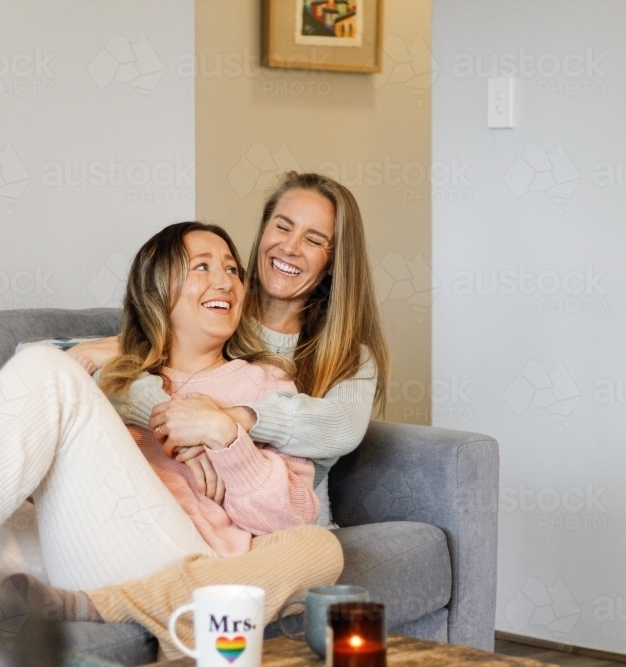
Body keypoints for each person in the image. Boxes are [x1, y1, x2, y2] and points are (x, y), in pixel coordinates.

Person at [0, 222, 342, 613]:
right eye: (202, 266)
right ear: (156, 287)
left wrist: (226, 435)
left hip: (174, 557)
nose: (226, 280)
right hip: (70, 542)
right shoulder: (120, 373)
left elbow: (295, 518)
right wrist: (117, 349)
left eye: (232, 268)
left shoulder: (263, 383)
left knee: (46, 370)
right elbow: (32, 398)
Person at [34, 172, 391, 651]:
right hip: (185, 513)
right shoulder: (213, 303)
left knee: (319, 549)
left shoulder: (346, 355)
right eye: (282, 227)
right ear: (262, 232)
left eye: (314, 239)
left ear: (332, 263)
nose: (289, 247)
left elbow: (340, 430)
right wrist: (171, 416)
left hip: (277, 526)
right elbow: (56, 370)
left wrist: (235, 422)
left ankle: (118, 605)